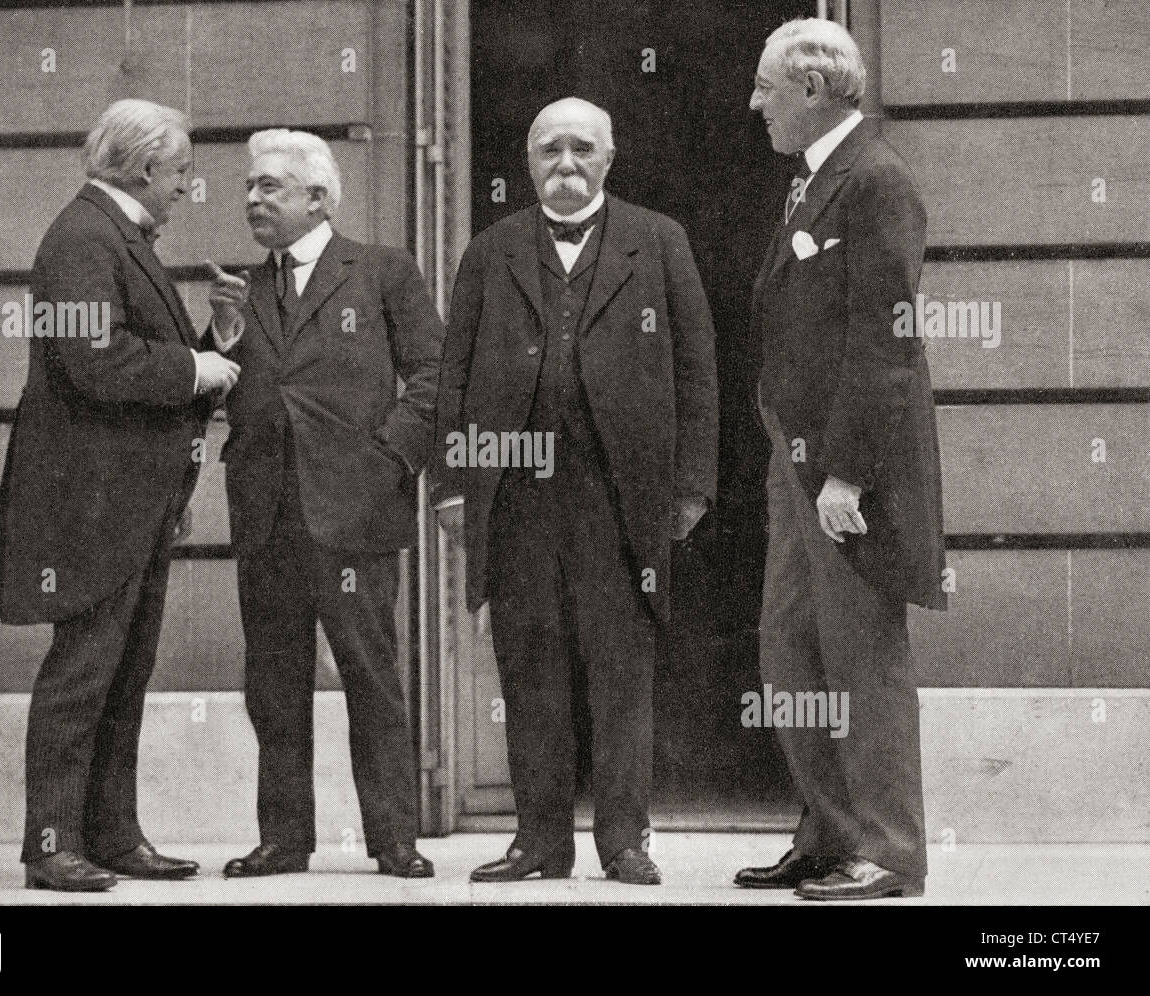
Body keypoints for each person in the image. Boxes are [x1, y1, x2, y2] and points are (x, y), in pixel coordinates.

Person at [433, 97, 719, 885]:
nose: (566, 164)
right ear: (528, 163)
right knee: (529, 672)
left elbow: (697, 370)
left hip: (621, 499)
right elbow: (452, 378)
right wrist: (455, 487)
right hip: (516, 499)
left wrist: (690, 487)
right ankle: (539, 841)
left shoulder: (659, 242)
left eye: (582, 150)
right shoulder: (490, 251)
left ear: (608, 158)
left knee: (622, 674)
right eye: (549, 150)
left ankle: (624, 840)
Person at [0, 99, 241, 891]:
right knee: (84, 675)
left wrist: (212, 341)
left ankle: (110, 837)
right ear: (145, 168)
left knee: (122, 673)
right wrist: (198, 369)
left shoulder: (107, 235)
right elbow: (95, 361)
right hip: (95, 507)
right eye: (183, 173)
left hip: (125, 502)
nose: (187, 189)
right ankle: (52, 846)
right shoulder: (85, 237)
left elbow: (126, 361)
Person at [736, 17, 947, 901]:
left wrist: (848, 475)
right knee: (790, 649)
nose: (755, 105)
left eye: (765, 88)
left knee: (862, 658)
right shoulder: (816, 181)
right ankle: (827, 833)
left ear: (814, 89)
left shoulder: (874, 180)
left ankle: (889, 851)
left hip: (848, 471)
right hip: (800, 462)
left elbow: (885, 342)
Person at [205, 129, 443, 879]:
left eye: (269, 186)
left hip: (355, 514)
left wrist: (390, 458)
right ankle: (284, 839)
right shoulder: (242, 289)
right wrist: (220, 334)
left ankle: (393, 840)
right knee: (272, 686)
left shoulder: (381, 273)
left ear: (317, 197)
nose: (252, 199)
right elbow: (216, 385)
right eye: (249, 187)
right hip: (268, 515)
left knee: (370, 678)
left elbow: (436, 375)